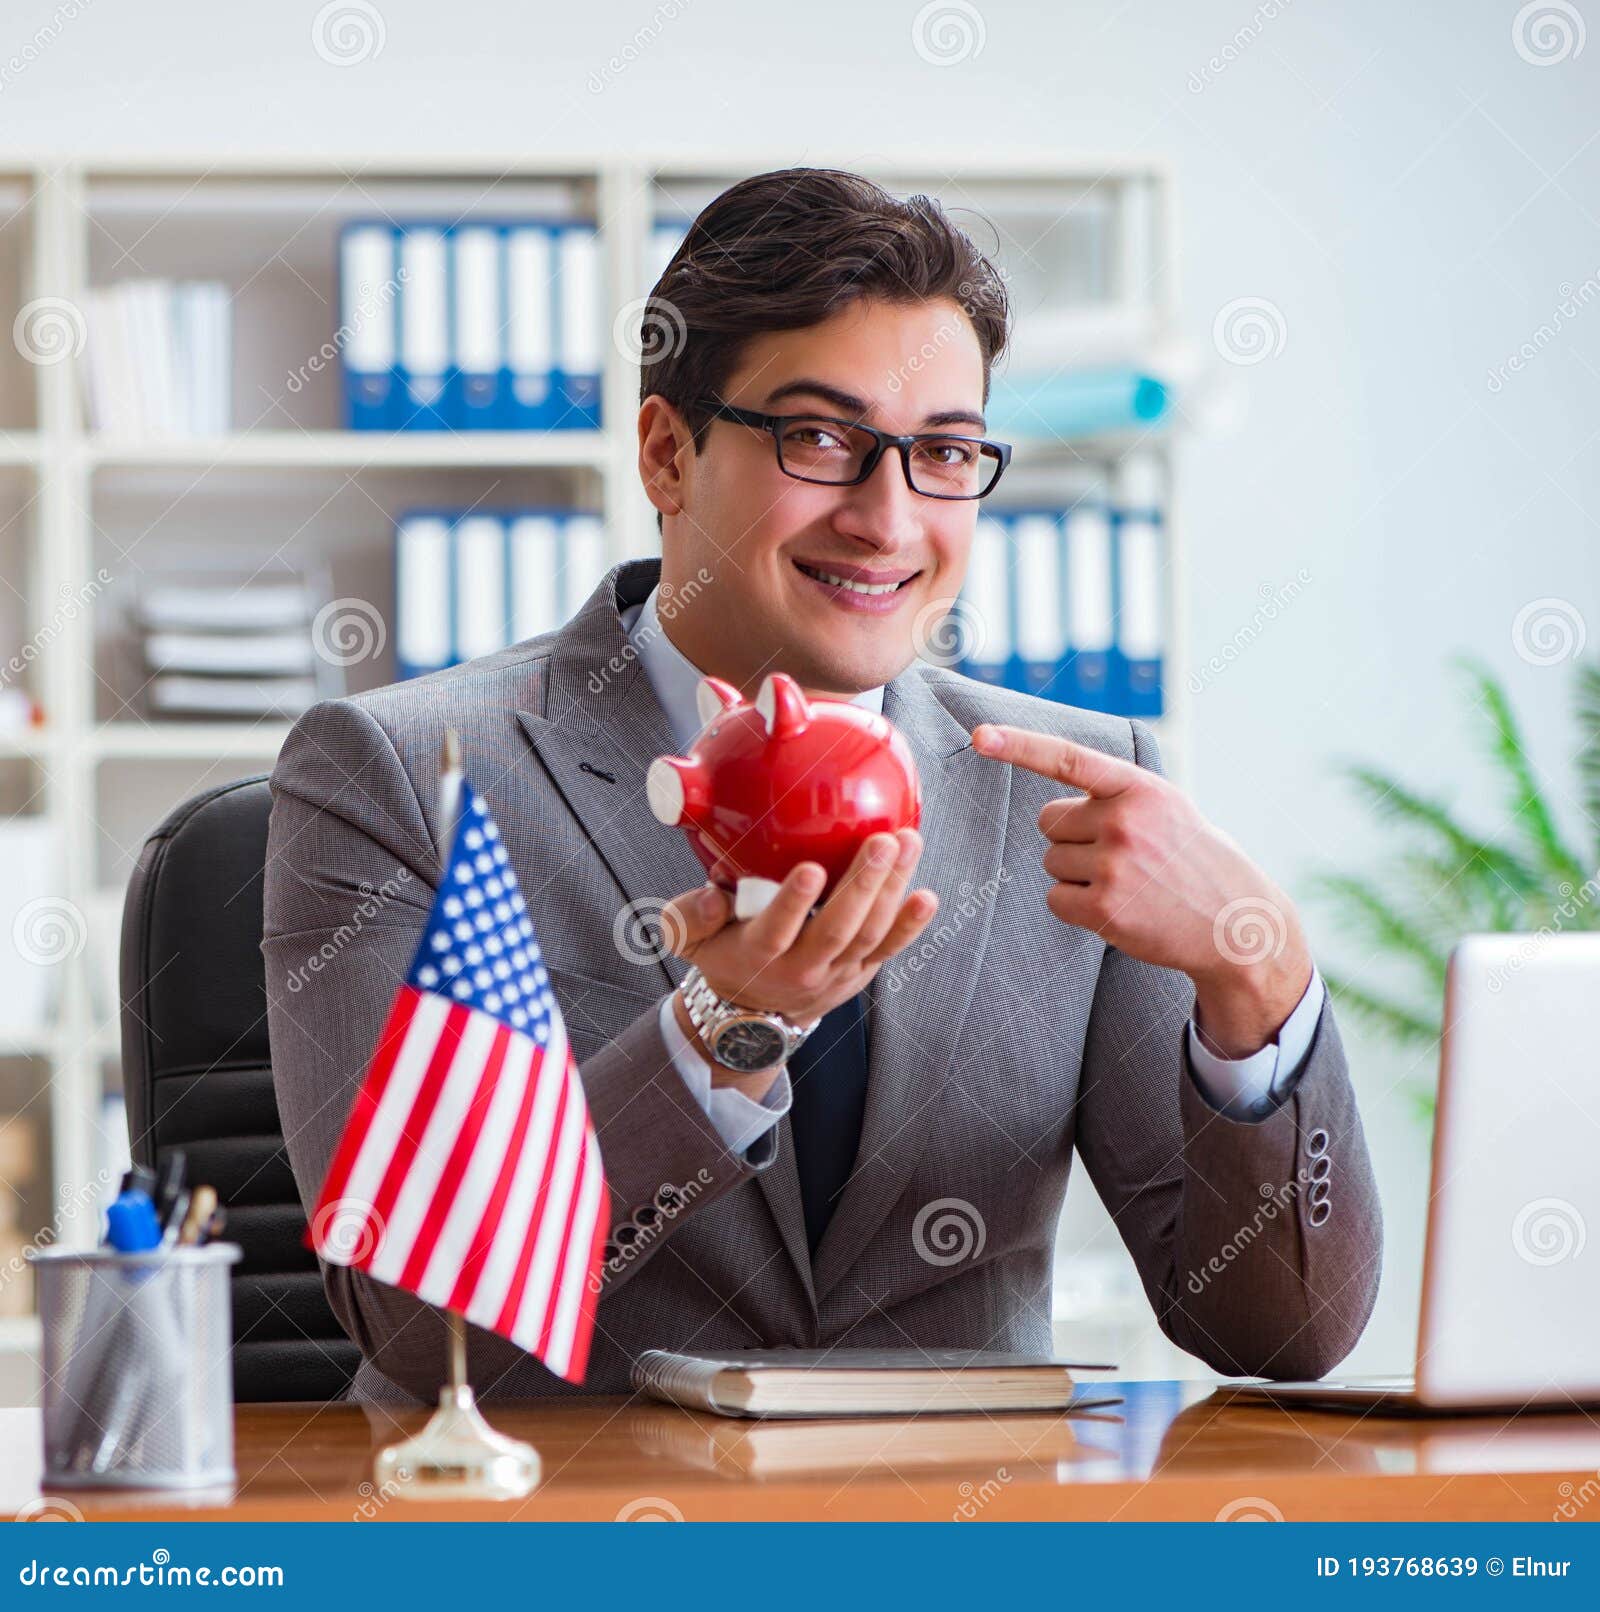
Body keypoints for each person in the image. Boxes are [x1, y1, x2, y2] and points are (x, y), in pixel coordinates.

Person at [263, 168, 1380, 1406]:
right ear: (667, 454)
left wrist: (1259, 974)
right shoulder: (404, 774)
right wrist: (717, 1035)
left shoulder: (1073, 793)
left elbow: (1279, 1333)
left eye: (943, 452)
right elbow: (418, 1326)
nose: (886, 520)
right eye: (820, 439)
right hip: (572, 1508)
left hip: (962, 1511)